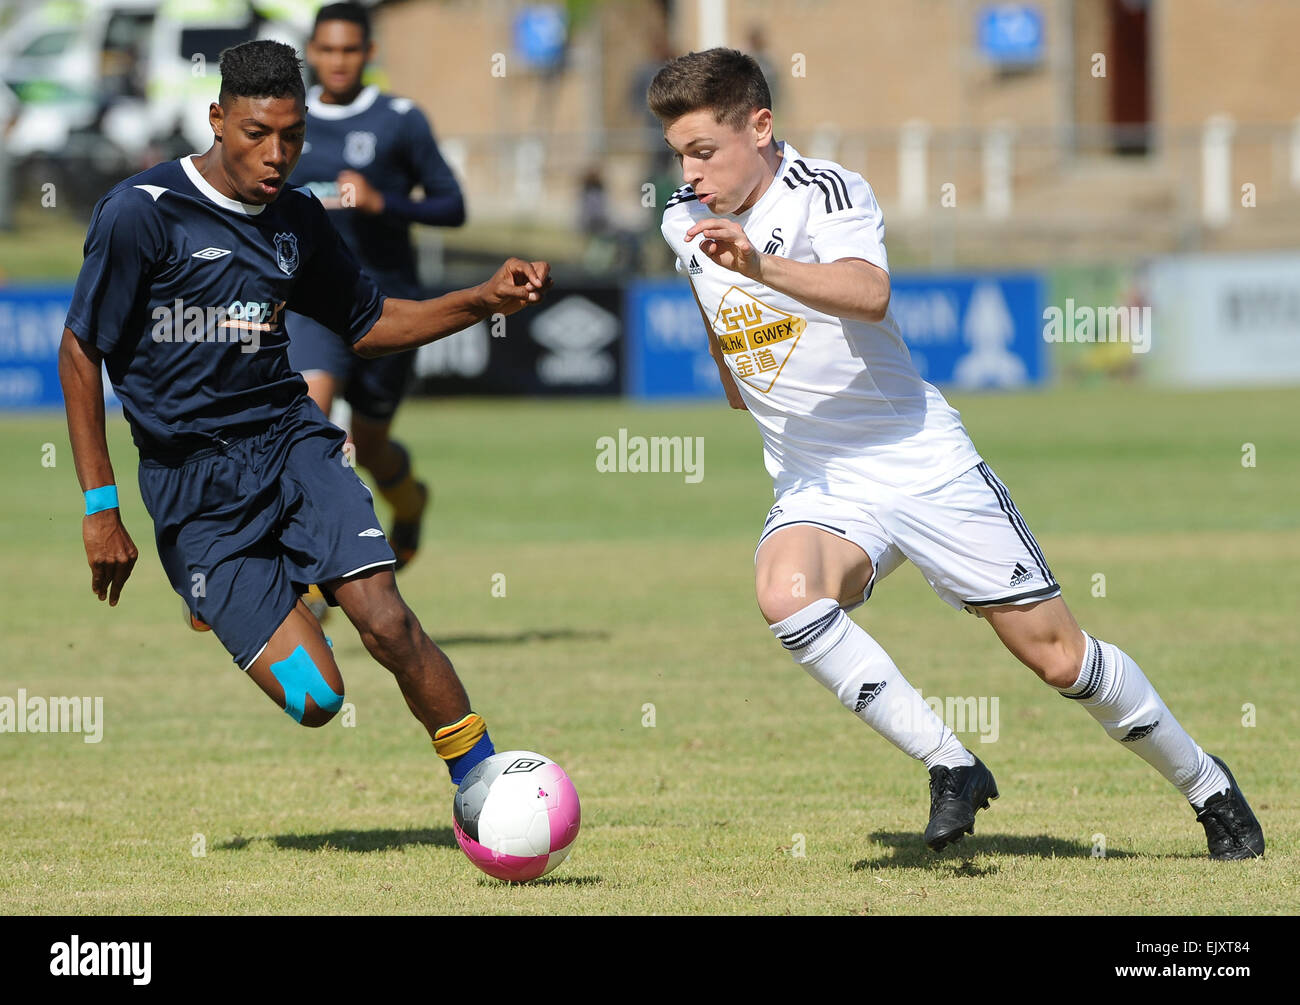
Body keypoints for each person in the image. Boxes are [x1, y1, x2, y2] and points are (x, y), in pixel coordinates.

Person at [649, 48, 1263, 859]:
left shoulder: (827, 192)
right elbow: (713, 305)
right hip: (820, 478)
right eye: (678, 156)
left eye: (703, 151)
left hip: (917, 460)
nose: (690, 173)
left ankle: (1206, 785)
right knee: (785, 592)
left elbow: (869, 293)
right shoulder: (682, 218)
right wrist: (736, 369)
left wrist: (757, 264)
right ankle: (952, 762)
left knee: (1058, 657)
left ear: (760, 127)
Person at [58, 40, 550, 786]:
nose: (277, 154)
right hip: (191, 484)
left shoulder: (297, 219)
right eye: (258, 134)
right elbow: (78, 350)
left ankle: (484, 784)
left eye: (292, 136)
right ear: (218, 119)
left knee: (385, 618)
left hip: (292, 444)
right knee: (319, 698)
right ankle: (242, 579)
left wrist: (481, 298)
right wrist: (101, 506)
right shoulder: (142, 214)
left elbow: (370, 323)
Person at [288, 2, 466, 581]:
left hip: (389, 308)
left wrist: (382, 202)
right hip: (312, 306)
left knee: (372, 443)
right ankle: (315, 577)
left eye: (349, 50)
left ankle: (411, 504)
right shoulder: (287, 119)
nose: (337, 61)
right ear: (310, 53)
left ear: (368, 53)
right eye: (327, 49)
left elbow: (452, 206)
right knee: (312, 423)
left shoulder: (399, 119)